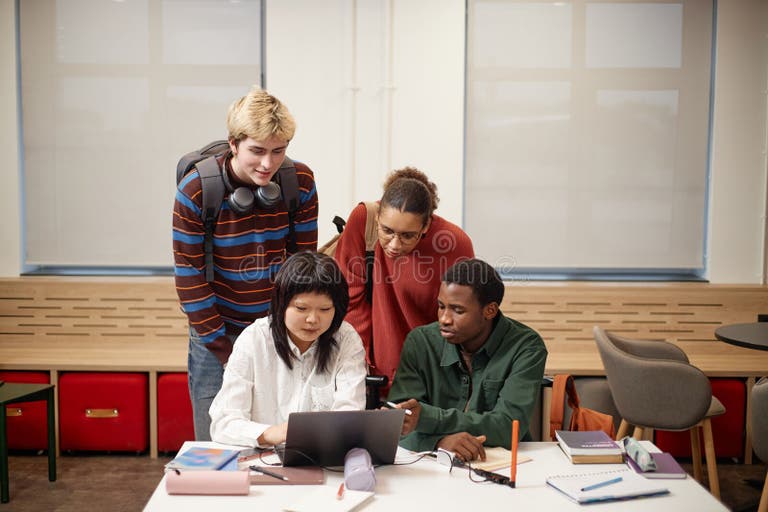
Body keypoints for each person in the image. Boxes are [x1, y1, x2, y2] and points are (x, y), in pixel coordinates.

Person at [173, 86, 318, 440]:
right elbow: (190, 277)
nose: (268, 164)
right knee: (215, 443)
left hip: (275, 330)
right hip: (216, 334)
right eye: (257, 151)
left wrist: (287, 332)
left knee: (275, 438)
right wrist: (227, 348)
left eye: (278, 151)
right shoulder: (196, 191)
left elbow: (302, 267)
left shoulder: (299, 182)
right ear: (234, 143)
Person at [333, 167, 474, 399]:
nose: (395, 245)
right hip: (371, 373)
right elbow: (350, 301)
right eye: (387, 231)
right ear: (378, 216)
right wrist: (359, 366)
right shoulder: (363, 220)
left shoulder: (454, 243)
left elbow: (460, 317)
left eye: (408, 235)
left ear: (426, 225)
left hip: (432, 373)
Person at [386, 258, 548, 461]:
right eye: (441, 306)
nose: (444, 318)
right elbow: (396, 424)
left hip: (504, 464)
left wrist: (429, 419)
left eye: (457, 310)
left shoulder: (526, 347)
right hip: (431, 467)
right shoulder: (421, 342)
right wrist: (439, 442)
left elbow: (508, 428)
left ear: (490, 310)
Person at [209, 251, 367, 447]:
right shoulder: (254, 339)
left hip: (324, 459)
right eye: (301, 309)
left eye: (325, 310)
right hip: (260, 461)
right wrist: (272, 433)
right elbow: (224, 423)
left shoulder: (346, 339)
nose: (312, 319)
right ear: (281, 304)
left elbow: (350, 414)